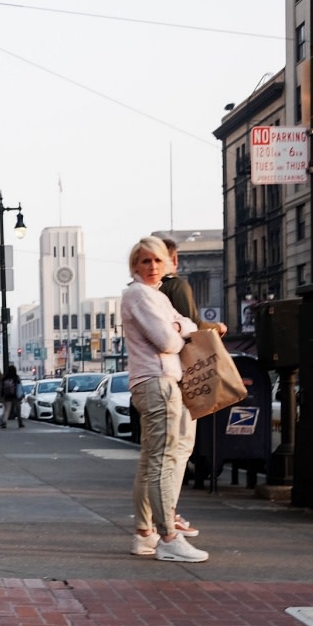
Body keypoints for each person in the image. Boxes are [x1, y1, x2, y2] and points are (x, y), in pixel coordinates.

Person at [121, 236, 208, 563]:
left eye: (158, 260)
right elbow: (168, 341)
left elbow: (187, 323)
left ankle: (145, 533)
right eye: (145, 260)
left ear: (168, 263)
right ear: (135, 265)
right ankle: (168, 537)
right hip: (157, 381)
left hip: (156, 381)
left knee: (150, 461)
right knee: (162, 460)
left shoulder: (154, 295)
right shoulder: (139, 295)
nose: (153, 266)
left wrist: (177, 326)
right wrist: (178, 330)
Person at [156, 237, 229, 538]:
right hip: (182, 375)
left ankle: (156, 520)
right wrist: (217, 328)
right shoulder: (177, 287)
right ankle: (167, 516)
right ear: (175, 260)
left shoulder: (148, 294)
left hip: (157, 377)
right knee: (180, 447)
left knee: (161, 452)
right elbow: (192, 327)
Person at [0, 364, 24, 429]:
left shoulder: (5, 377)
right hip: (15, 396)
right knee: (18, 410)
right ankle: (20, 423)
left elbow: (2, 387)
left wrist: (2, 395)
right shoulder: (16, 377)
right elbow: (19, 386)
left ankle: (4, 422)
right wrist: (21, 394)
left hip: (7, 396)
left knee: (7, 410)